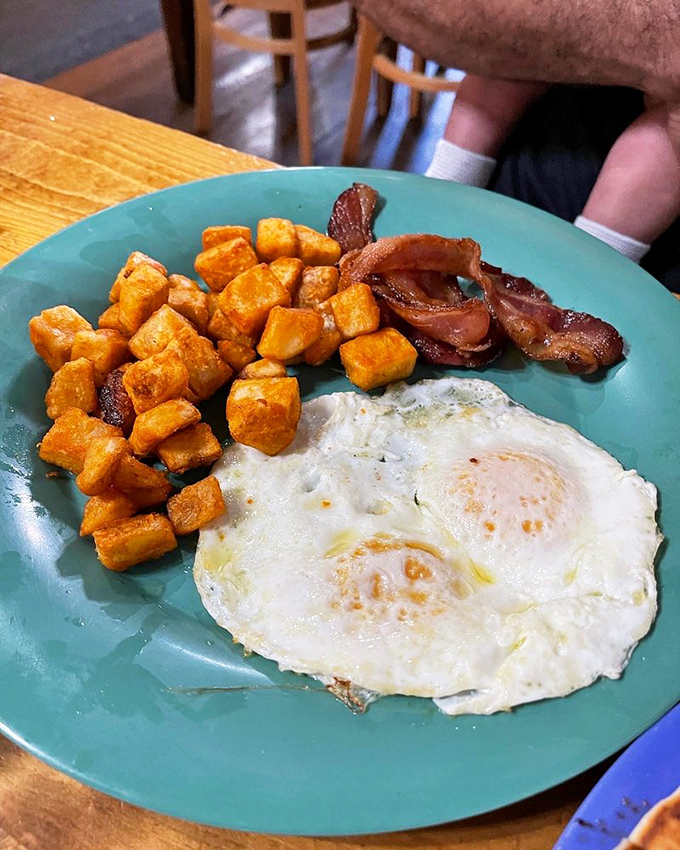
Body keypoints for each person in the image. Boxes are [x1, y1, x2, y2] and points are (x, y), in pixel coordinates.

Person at [354, 0, 680, 290]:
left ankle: (590, 268)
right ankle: (441, 196)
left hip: (642, 248)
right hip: (523, 168)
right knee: (521, 41)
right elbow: (509, 47)